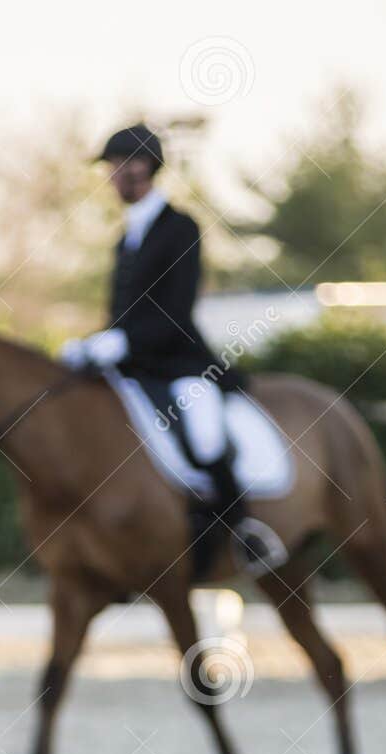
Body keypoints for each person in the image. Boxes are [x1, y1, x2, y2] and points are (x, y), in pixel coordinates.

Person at [60, 122, 254, 552]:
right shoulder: (125, 237)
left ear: (144, 166)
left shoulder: (180, 228)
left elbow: (177, 310)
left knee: (204, 432)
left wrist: (126, 341)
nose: (111, 176)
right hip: (133, 366)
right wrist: (96, 342)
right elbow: (122, 313)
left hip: (179, 360)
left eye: (118, 165)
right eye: (109, 167)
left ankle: (243, 532)